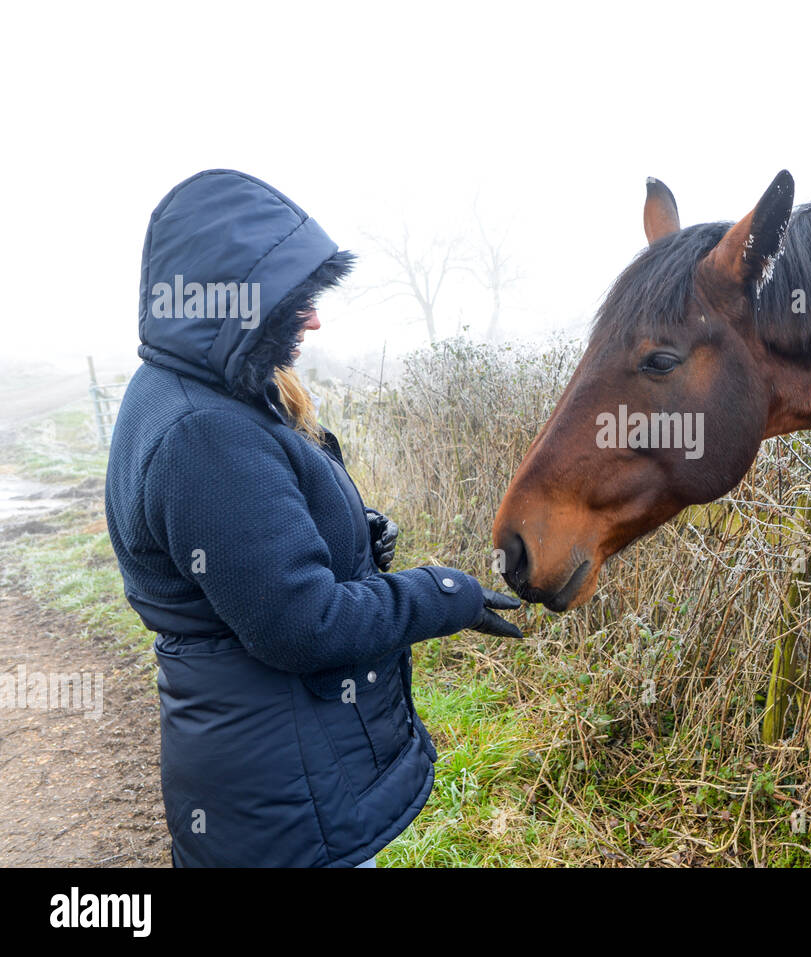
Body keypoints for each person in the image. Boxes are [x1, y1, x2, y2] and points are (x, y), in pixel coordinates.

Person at [105, 169, 522, 867]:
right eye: (297, 300)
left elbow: (252, 543)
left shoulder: (191, 391)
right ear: (236, 301)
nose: (315, 318)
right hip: (286, 799)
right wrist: (442, 593)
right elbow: (304, 624)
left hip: (269, 774)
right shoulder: (203, 432)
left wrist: (352, 534)